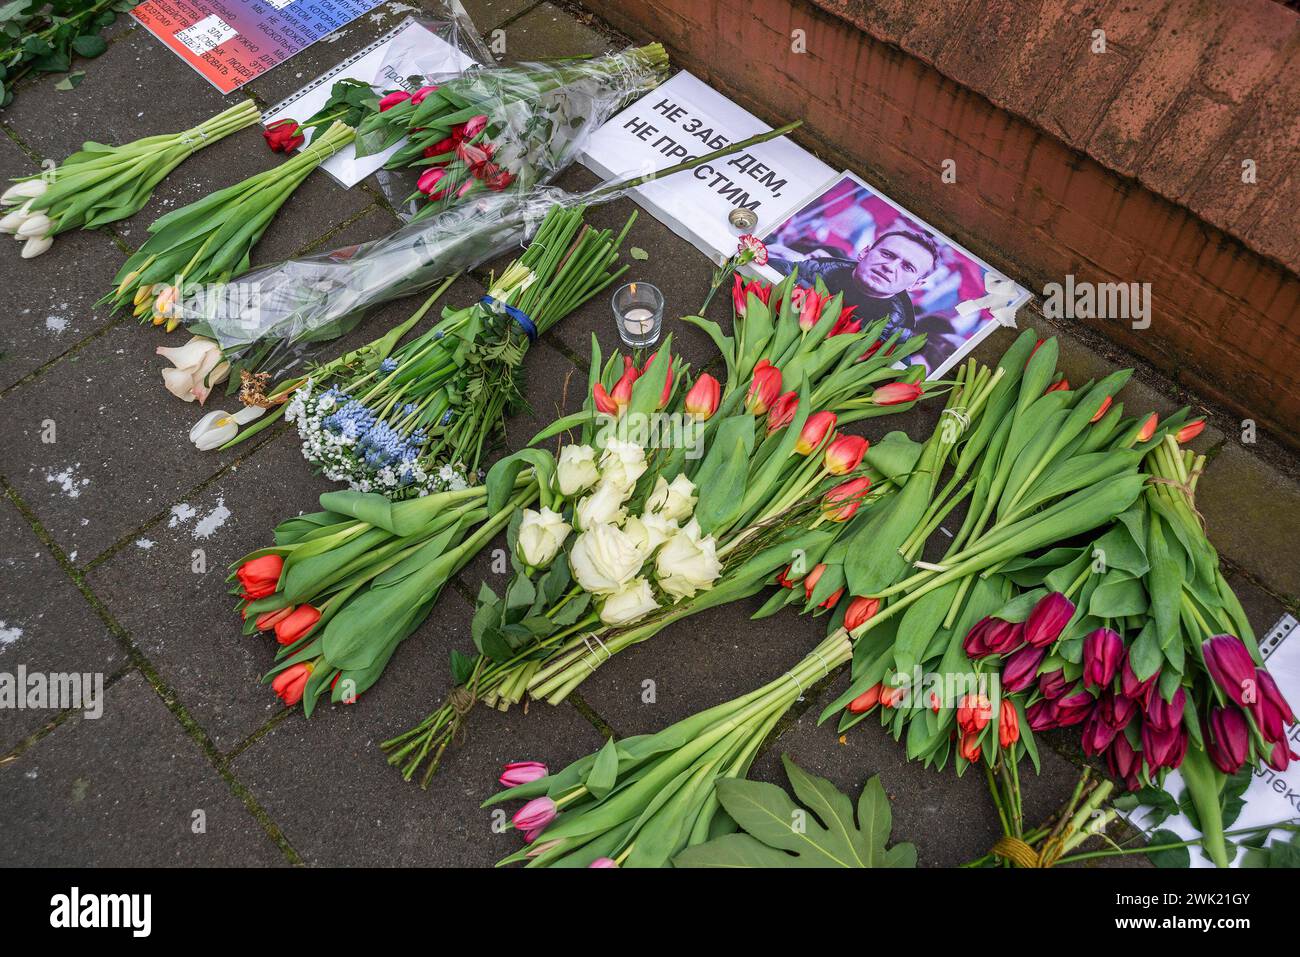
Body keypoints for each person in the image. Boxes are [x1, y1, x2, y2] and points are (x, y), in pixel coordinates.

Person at [767, 227, 940, 343]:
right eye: (887, 254)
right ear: (865, 252)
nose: (890, 267)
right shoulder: (787, 273)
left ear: (916, 285)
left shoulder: (893, 343)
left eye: (907, 267)